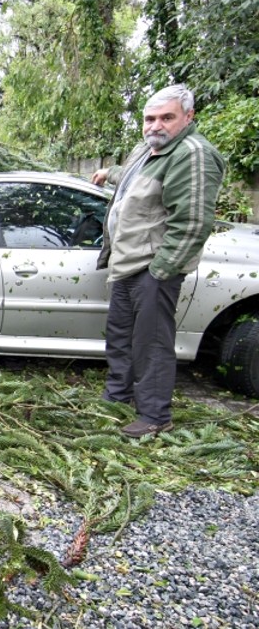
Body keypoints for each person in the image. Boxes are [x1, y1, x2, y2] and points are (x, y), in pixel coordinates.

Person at [92, 84, 225, 438]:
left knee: (151, 342)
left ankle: (154, 415)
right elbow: (133, 179)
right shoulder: (151, 149)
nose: (156, 125)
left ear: (188, 117)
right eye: (150, 118)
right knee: (121, 335)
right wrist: (109, 173)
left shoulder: (193, 154)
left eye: (167, 117)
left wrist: (160, 271)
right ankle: (118, 396)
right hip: (127, 263)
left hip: (152, 267)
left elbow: (193, 222)